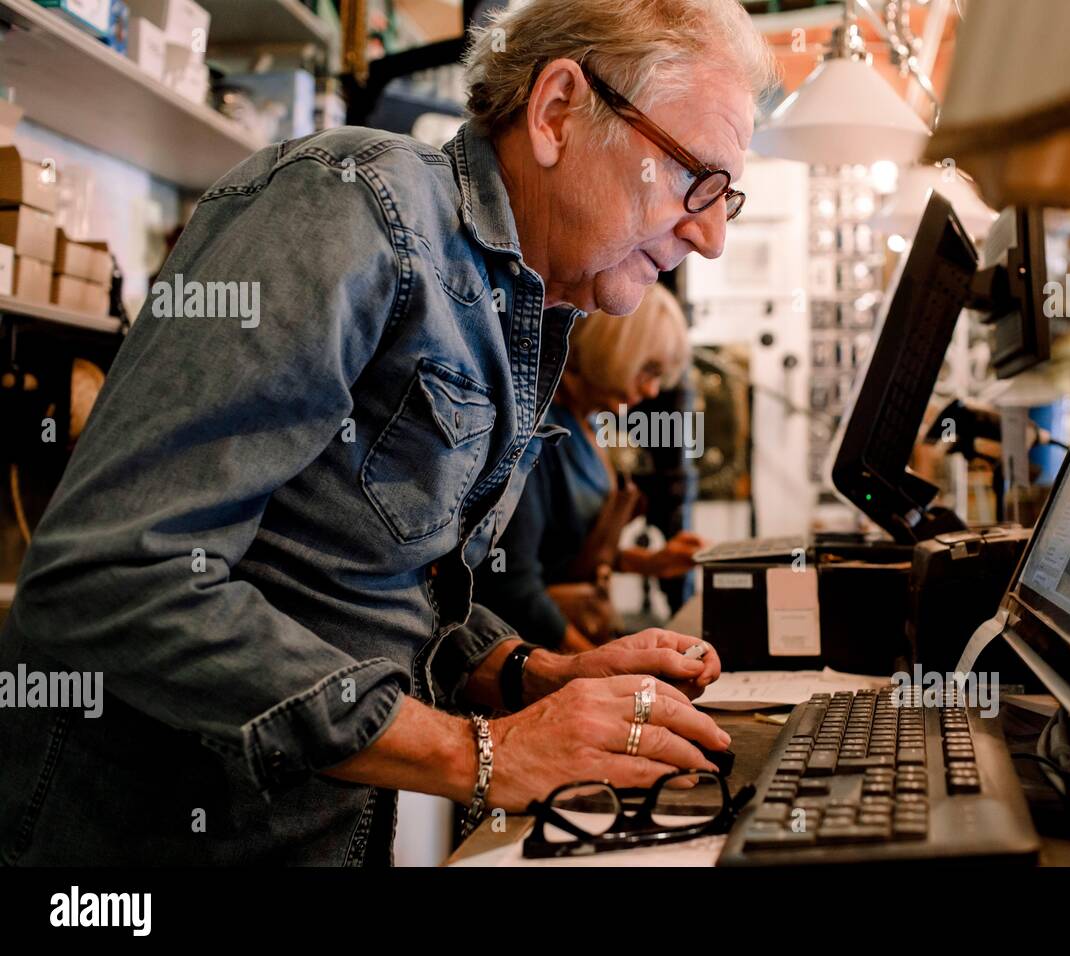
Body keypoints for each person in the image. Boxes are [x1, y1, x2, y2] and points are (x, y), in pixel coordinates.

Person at [0, 0, 776, 864]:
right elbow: (108, 576)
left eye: (727, 201)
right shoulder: (348, 209)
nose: (708, 237)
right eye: (692, 179)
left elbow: (367, 585)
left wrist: (525, 673)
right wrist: (487, 753)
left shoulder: (517, 303)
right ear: (559, 111)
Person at [478, 285, 704, 654]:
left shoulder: (587, 425)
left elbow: (565, 547)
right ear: (611, 350)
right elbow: (513, 587)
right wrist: (593, 664)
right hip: (533, 650)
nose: (651, 391)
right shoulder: (539, 432)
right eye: (647, 371)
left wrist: (650, 564)